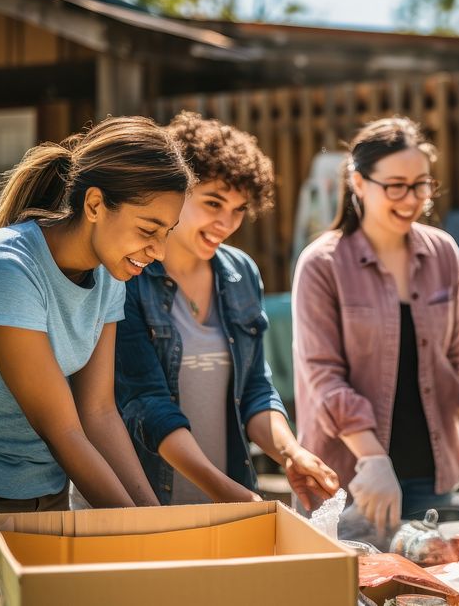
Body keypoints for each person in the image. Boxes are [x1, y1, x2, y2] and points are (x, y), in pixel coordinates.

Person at [0, 116, 194, 604]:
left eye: (168, 231)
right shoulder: (5, 267)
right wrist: (146, 535)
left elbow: (99, 413)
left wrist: (157, 522)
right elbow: (61, 428)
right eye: (149, 228)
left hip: (42, 494)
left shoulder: (110, 277)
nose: (159, 250)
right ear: (94, 204)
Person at [112, 112, 338, 511]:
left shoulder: (241, 272)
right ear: (176, 191)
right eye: (213, 202)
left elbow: (255, 389)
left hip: (226, 505)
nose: (226, 223)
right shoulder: (128, 273)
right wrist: (233, 496)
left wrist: (290, 453)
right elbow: (145, 402)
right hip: (139, 507)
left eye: (238, 210)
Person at [292, 117, 459, 538]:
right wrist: (373, 459)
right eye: (396, 186)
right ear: (359, 183)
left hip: (428, 475)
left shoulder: (442, 254)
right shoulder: (322, 264)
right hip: (344, 479)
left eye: (421, 184)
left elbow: (455, 363)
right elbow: (322, 376)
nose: (412, 199)